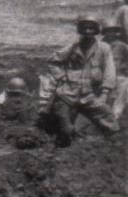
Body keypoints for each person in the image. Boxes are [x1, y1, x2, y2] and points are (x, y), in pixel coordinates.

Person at [43, 14, 117, 146]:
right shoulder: (72, 47)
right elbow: (52, 62)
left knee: (110, 122)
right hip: (68, 94)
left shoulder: (104, 48)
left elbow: (109, 71)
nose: (88, 31)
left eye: (91, 28)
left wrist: (105, 93)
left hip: (90, 95)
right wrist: (61, 76)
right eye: (84, 28)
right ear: (80, 30)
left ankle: (112, 148)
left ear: (96, 30)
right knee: (65, 133)